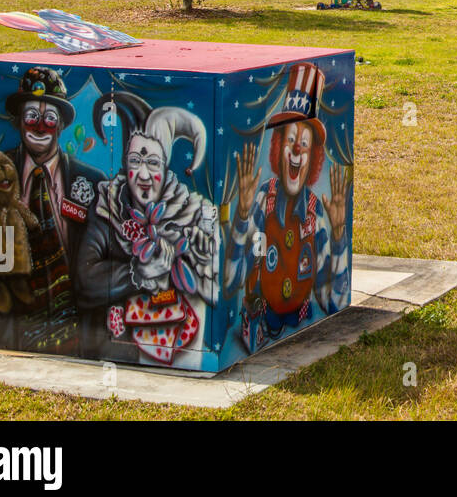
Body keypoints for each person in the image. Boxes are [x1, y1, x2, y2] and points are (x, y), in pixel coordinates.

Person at [0, 67, 107, 355]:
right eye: (31, 116)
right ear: (19, 122)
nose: (39, 127)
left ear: (60, 125)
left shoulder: (93, 183)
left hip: (79, 331)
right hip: (10, 330)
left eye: (49, 119)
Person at [79, 95, 218, 366]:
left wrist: (202, 254)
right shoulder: (107, 207)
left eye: (153, 163)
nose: (143, 175)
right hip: (118, 349)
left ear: (165, 169)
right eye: (135, 162)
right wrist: (136, 274)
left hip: (183, 349)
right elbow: (86, 278)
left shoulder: (190, 210)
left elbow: (215, 284)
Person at [227, 62, 351, 353]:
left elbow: (333, 300)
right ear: (278, 147)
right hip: (256, 333)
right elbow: (232, 279)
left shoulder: (315, 214)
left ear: (312, 159)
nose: (297, 150)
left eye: (305, 144)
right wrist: (242, 217)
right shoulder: (260, 201)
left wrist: (338, 235)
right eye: (291, 140)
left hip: (299, 325)